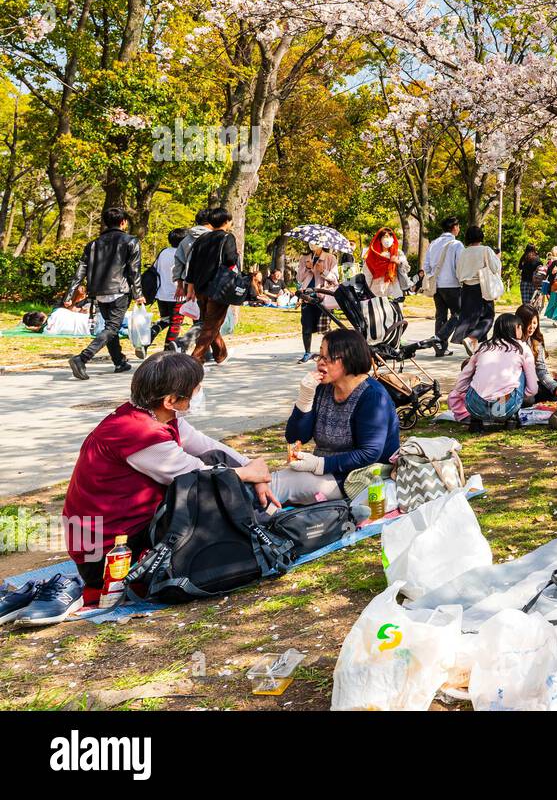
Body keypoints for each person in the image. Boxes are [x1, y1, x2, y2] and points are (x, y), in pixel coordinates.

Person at [62, 353, 273, 611]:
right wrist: (251, 474)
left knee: (217, 460)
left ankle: (262, 521)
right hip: (109, 557)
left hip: (122, 534)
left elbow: (206, 446)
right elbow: (197, 474)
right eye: (196, 390)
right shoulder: (140, 434)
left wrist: (254, 468)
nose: (199, 393)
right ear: (171, 400)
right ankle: (262, 532)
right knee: (211, 487)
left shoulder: (152, 415)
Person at [282, 328, 401, 502]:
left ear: (348, 360)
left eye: (327, 358)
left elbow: (370, 452)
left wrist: (319, 464)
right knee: (272, 482)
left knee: (283, 486)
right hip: (325, 471)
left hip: (362, 477)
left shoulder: (372, 396)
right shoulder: (323, 388)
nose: (320, 363)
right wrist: (304, 398)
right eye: (319, 356)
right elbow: (295, 437)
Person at [66, 208, 144, 380]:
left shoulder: (93, 244)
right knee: (112, 328)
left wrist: (69, 294)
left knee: (111, 327)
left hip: (98, 291)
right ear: (123, 222)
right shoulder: (131, 241)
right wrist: (138, 293)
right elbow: (134, 270)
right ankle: (82, 358)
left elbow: (81, 270)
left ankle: (119, 362)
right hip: (119, 290)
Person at [449, 312, 536, 426]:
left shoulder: (483, 347)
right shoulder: (522, 348)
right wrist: (521, 397)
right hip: (504, 408)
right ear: (516, 328)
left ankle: (477, 420)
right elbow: (533, 389)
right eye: (520, 327)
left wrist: (471, 391)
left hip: (475, 408)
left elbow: (461, 383)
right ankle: (511, 418)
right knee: (521, 373)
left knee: (475, 371)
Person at [184, 207, 240, 365]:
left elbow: (192, 264)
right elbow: (230, 260)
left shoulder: (202, 238)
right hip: (219, 287)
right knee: (211, 324)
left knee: (211, 322)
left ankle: (221, 354)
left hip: (201, 287)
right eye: (229, 220)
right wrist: (236, 255)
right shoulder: (227, 238)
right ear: (225, 222)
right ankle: (195, 359)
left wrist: (191, 286)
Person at [165, 208, 212, 353]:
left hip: (187, 282)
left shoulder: (186, 239)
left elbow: (178, 261)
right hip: (208, 283)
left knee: (203, 317)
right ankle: (182, 343)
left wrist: (179, 283)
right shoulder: (214, 237)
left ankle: (209, 352)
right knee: (208, 319)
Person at [450, 225, 501, 354]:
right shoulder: (485, 250)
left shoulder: (463, 252)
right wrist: (497, 258)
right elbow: (495, 268)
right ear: (481, 236)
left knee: (471, 318)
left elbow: (458, 272)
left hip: (467, 288)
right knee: (488, 317)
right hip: (482, 287)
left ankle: (480, 349)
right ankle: (472, 338)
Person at [422, 216, 463, 356]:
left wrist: (434, 274)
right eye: (458, 226)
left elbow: (426, 266)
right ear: (454, 227)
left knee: (440, 315)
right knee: (458, 313)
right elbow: (460, 266)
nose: (459, 228)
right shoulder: (456, 244)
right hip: (452, 284)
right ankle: (440, 337)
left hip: (436, 285)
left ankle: (440, 348)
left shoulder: (433, 243)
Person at [145, 228, 185, 352]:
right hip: (177, 295)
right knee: (175, 324)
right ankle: (168, 351)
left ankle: (148, 337)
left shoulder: (163, 252)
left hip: (161, 294)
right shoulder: (182, 254)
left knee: (166, 320)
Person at [296, 243, 337, 362]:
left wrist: (323, 271)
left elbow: (335, 279)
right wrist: (307, 267)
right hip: (307, 295)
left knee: (325, 327)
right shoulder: (305, 258)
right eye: (311, 241)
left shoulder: (330, 258)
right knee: (306, 326)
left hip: (323, 295)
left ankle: (328, 352)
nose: (313, 244)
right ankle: (307, 352)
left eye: (316, 241)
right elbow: (299, 278)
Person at [515, 304, 557, 404]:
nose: (531, 327)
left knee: (554, 389)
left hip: (530, 387)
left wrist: (556, 388)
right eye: (528, 323)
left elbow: (542, 371)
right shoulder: (511, 342)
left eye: (534, 323)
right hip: (514, 387)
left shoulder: (536, 342)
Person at [362, 227, 410, 300]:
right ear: (380, 239)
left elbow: (407, 268)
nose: (388, 239)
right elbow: (368, 275)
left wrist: (398, 262)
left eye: (390, 236)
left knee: (395, 309)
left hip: (394, 288)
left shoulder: (398, 253)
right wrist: (366, 292)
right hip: (378, 289)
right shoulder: (373, 255)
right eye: (385, 236)